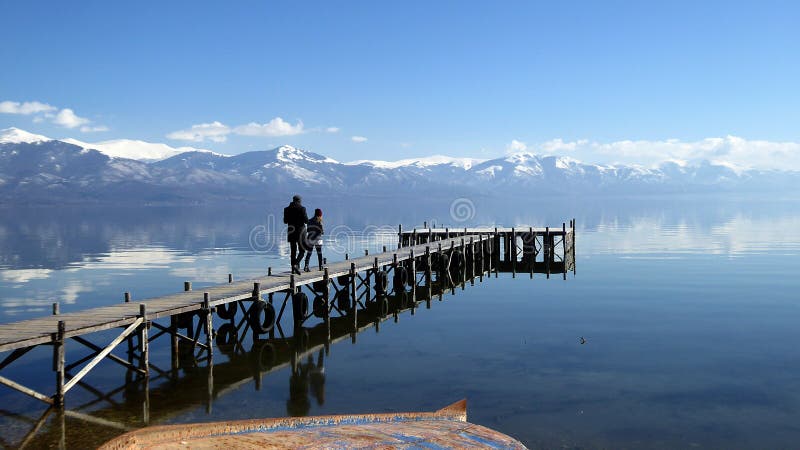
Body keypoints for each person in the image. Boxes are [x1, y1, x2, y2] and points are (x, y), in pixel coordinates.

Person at [283, 194, 308, 275]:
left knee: (293, 251)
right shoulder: (302, 209)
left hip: (291, 232)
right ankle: (296, 264)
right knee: (302, 250)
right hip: (301, 232)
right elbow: (306, 221)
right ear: (299, 201)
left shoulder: (286, 209)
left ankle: (293, 269)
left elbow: (285, 221)